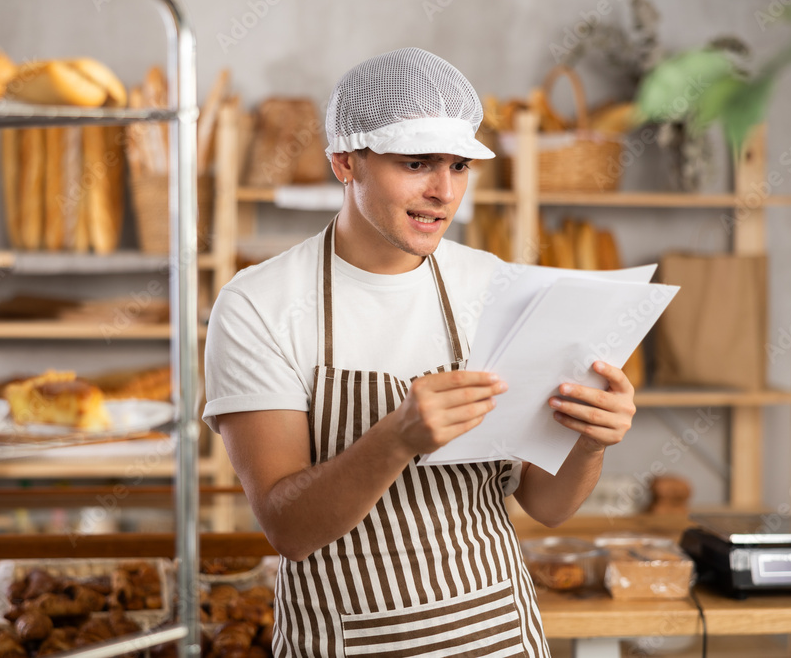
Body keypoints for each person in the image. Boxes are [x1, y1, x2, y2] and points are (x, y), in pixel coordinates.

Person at [203, 47, 636, 657]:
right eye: (416, 163)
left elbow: (546, 506)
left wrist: (589, 443)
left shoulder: (496, 286)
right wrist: (397, 438)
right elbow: (288, 529)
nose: (442, 191)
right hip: (345, 640)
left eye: (459, 165)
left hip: (497, 634)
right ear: (344, 161)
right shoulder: (259, 304)